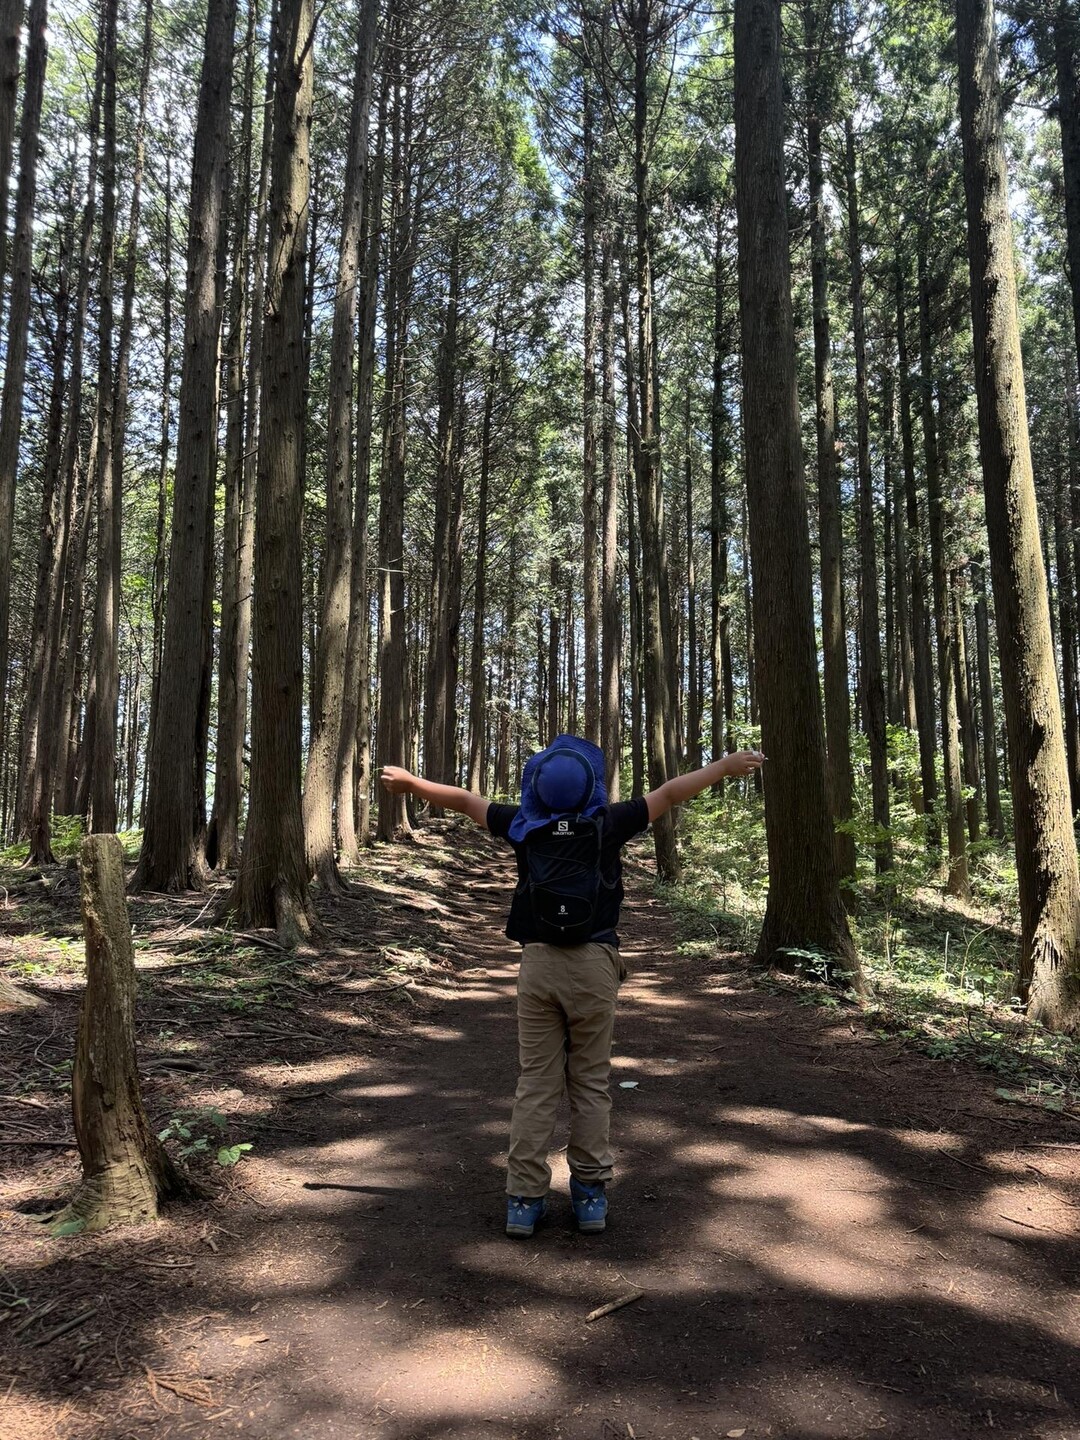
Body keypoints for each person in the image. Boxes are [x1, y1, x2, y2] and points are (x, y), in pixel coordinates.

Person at [380, 736, 764, 1238]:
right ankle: (589, 1197)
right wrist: (724, 766)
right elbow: (670, 793)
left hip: (538, 966)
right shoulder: (609, 823)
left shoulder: (522, 825)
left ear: (536, 787)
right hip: (595, 967)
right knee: (590, 1082)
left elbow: (463, 799)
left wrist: (411, 783)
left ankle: (524, 1199)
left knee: (536, 1084)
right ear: (593, 786)